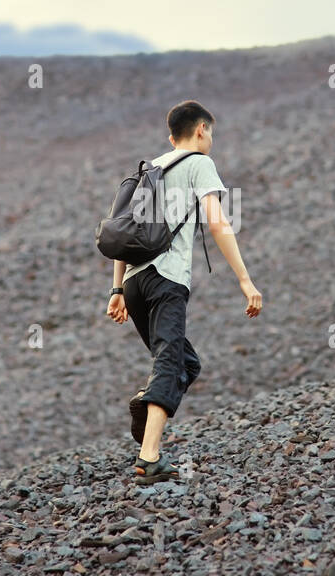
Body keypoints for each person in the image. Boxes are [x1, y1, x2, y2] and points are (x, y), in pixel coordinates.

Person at [106, 101, 262, 483]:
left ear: (169, 135)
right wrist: (244, 278)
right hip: (167, 279)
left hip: (135, 283)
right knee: (170, 360)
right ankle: (149, 457)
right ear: (201, 130)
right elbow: (217, 221)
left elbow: (124, 233)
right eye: (211, 133)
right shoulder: (198, 163)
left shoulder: (150, 168)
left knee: (185, 363)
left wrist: (116, 289)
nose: (211, 140)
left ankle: (148, 402)